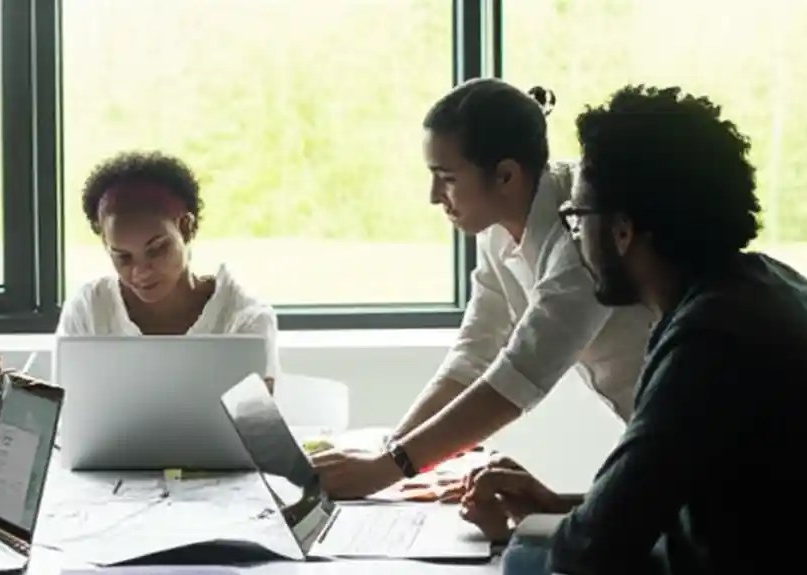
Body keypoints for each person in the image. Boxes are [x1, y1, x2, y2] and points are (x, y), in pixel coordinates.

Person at [461, 85, 807, 575]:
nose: (574, 238)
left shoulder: (711, 339)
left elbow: (599, 549)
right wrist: (562, 507)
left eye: (577, 219)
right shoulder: (762, 288)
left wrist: (522, 535)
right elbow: (659, 500)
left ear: (624, 231)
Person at [312, 79, 655, 499]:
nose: (434, 196)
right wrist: (393, 449)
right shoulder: (496, 232)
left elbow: (519, 375)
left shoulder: (584, 231)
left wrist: (389, 469)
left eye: (447, 178)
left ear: (506, 175)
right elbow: (474, 354)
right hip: (656, 437)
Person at [57, 151, 281, 385]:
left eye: (156, 249)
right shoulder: (90, 309)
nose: (140, 272)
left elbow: (254, 421)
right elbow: (67, 411)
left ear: (185, 228)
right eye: (123, 257)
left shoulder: (243, 319)